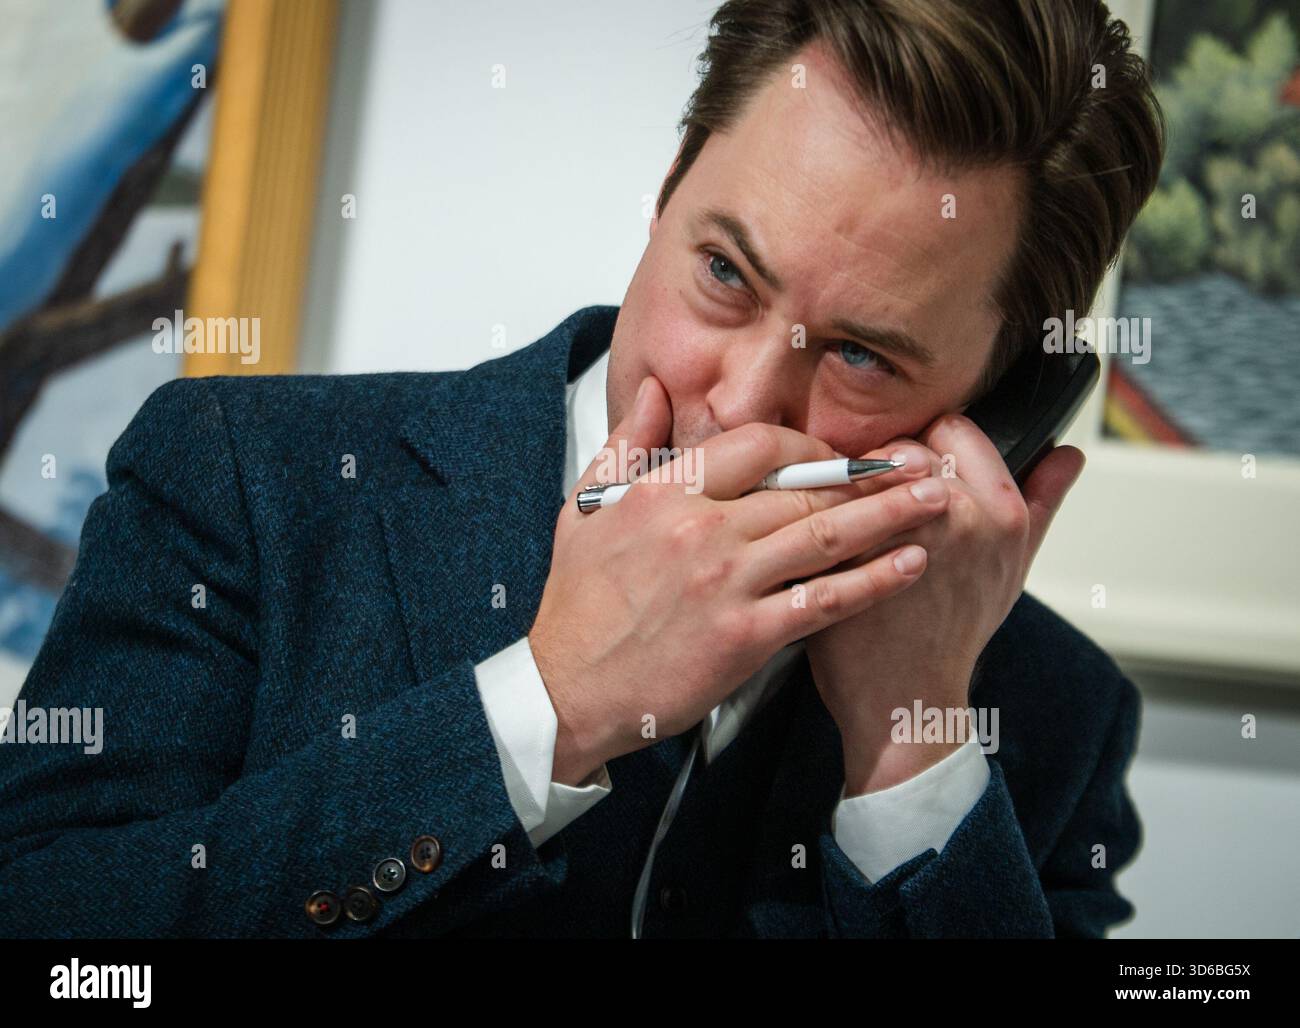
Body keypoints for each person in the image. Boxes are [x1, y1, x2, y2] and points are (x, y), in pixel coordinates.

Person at [0, 0, 1162, 938]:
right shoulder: (249, 481)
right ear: (666, 197)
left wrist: (909, 754)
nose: (741, 400)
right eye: (723, 273)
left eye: (858, 354)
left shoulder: (1046, 715)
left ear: (994, 406)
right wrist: (541, 711)